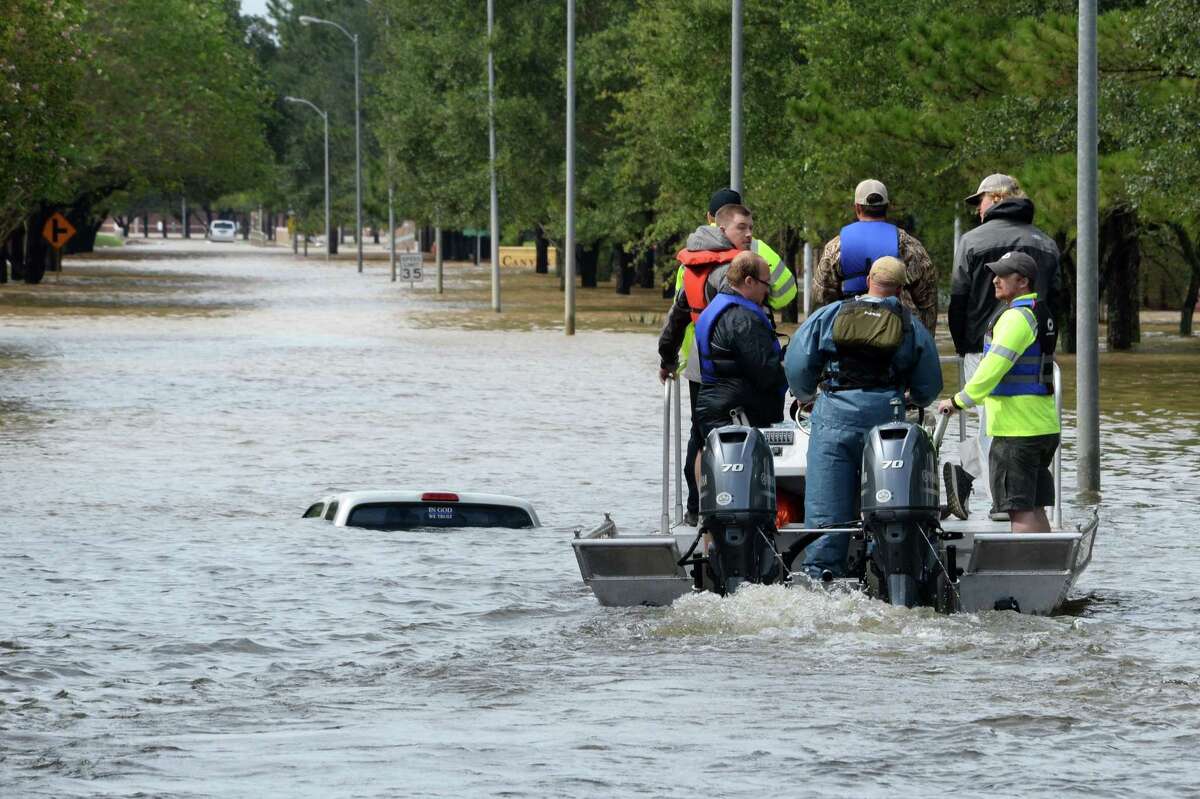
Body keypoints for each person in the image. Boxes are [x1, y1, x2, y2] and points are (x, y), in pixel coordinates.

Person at [784, 256, 943, 578]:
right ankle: (883, 573)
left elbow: (797, 364)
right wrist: (912, 398)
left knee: (827, 513)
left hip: (832, 418)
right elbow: (929, 385)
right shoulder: (910, 324)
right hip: (887, 422)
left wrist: (807, 397)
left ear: (869, 279)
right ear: (900, 289)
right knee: (888, 505)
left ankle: (823, 577)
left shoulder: (830, 314)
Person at [658, 196, 794, 525]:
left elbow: (678, 313)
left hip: (698, 362)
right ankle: (722, 504)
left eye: (751, 228)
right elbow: (742, 318)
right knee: (724, 438)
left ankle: (697, 507)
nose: (748, 235)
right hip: (729, 365)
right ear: (722, 228)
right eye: (742, 228)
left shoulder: (692, 262)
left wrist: (667, 355)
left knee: (700, 435)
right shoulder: (730, 274)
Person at [945, 173, 1061, 520]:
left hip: (986, 344)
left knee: (993, 427)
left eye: (978, 201)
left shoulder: (971, 242)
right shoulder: (1046, 242)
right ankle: (977, 480)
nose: (976, 210)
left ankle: (992, 495)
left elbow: (958, 300)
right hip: (1038, 350)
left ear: (995, 199)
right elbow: (1058, 300)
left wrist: (963, 347)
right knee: (1001, 428)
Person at [811, 179, 938, 333]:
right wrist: (923, 341)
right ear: (887, 207)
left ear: (857, 207)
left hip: (850, 335)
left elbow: (821, 298)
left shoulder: (835, 248)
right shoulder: (910, 247)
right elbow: (927, 302)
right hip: (899, 334)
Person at [693, 251, 789, 446]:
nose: (767, 291)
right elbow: (766, 373)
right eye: (766, 284)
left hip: (716, 407)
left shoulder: (718, 305)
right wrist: (792, 366)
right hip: (736, 414)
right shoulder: (742, 318)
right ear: (749, 281)